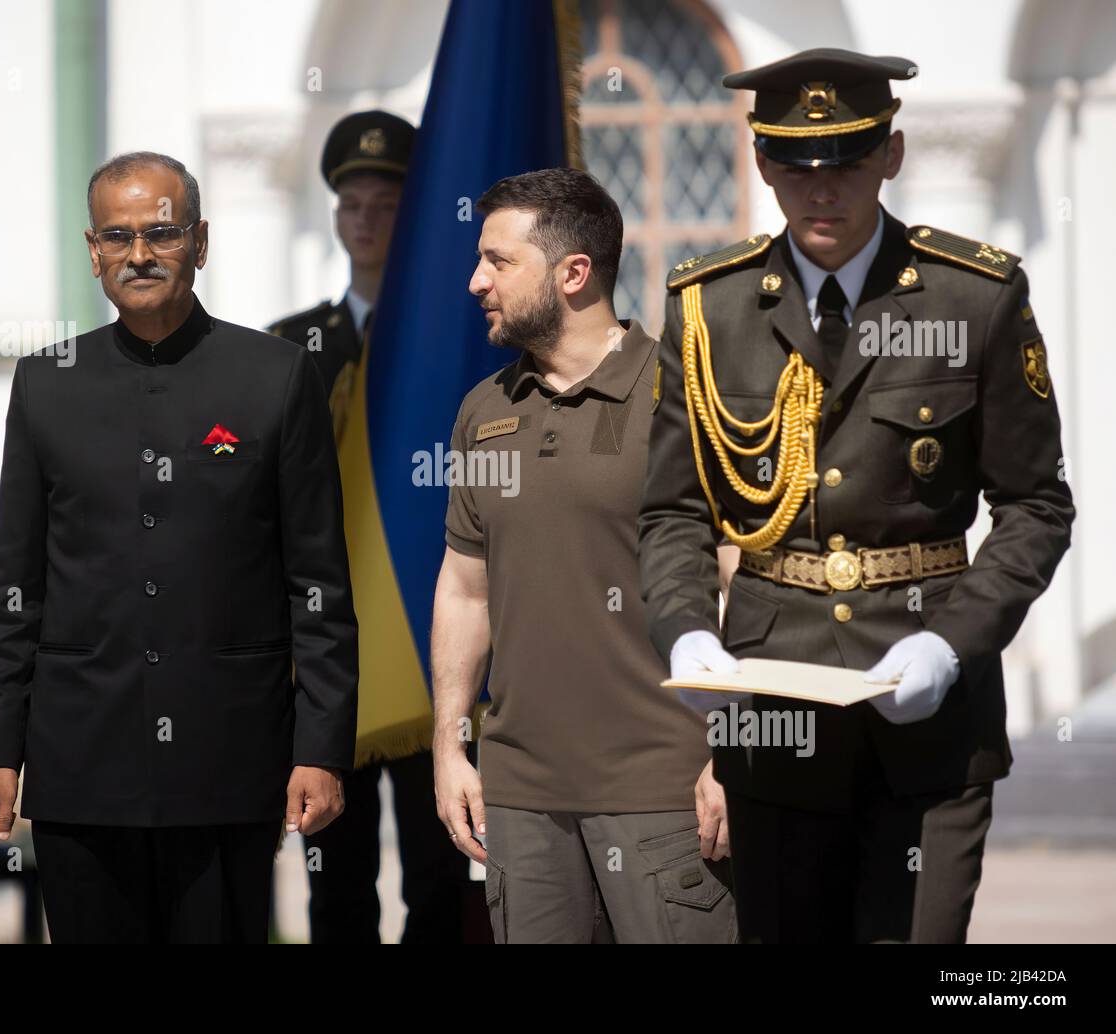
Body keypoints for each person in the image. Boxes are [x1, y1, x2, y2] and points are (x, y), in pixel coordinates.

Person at [638, 49, 1074, 943]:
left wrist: (952, 647)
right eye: (796, 163)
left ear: (894, 154)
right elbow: (674, 510)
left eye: (847, 156)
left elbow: (1036, 506)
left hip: (928, 716)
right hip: (774, 708)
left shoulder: (976, 295)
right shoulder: (708, 309)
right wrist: (687, 630)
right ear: (761, 163)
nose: (821, 187)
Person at [0, 151, 358, 944]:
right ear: (93, 250)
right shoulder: (47, 383)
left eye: (162, 232)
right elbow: (16, 583)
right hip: (82, 764)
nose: (138, 254)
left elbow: (318, 584)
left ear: (201, 241)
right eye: (118, 236)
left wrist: (321, 746)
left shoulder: (276, 377)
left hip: (228, 761)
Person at [432, 167, 737, 944]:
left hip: (667, 796)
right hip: (522, 802)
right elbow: (466, 590)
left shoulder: (684, 394)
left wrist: (736, 751)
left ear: (573, 273)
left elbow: (741, 584)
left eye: (499, 261)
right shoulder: (484, 411)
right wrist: (449, 743)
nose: (476, 281)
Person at [269, 111, 478, 943]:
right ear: (333, 218)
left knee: (437, 872)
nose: (366, 219)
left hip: (431, 639)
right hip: (327, 651)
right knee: (337, 881)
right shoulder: (293, 347)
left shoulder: (452, 339)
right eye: (352, 204)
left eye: (385, 203)